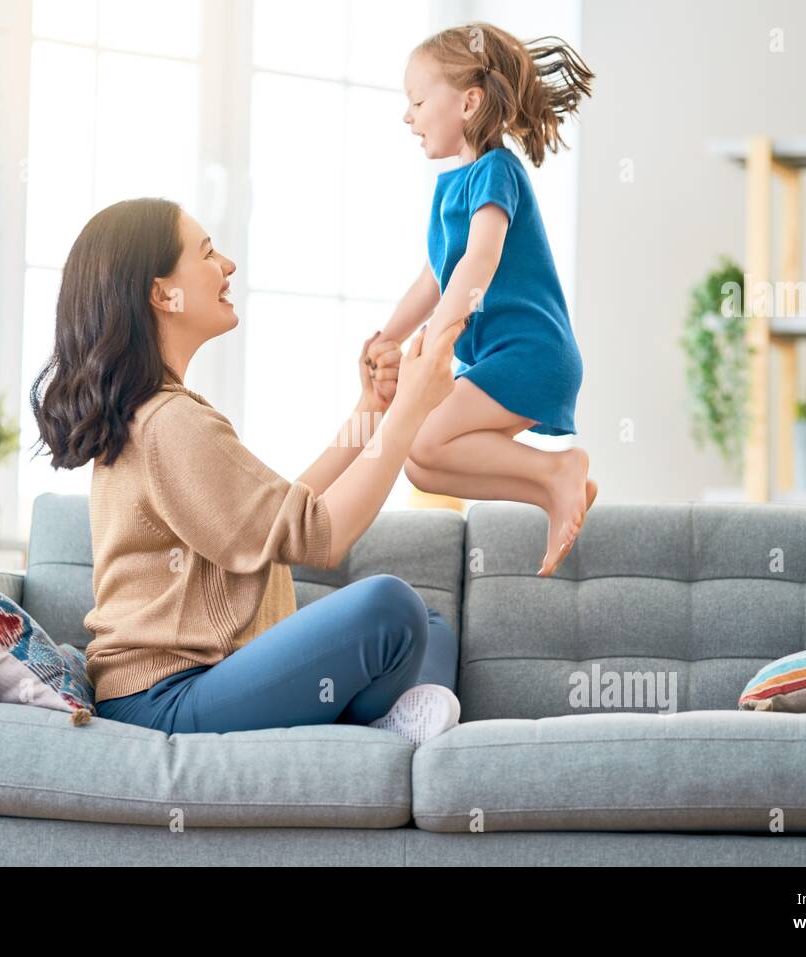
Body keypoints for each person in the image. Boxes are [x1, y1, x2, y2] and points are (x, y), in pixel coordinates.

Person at [29, 197, 465, 746]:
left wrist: (372, 412)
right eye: (208, 253)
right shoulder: (169, 422)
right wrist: (410, 412)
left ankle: (375, 721)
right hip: (166, 699)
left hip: (200, 687)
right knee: (392, 608)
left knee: (431, 624)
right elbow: (319, 534)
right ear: (163, 293)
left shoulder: (163, 412)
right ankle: (369, 726)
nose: (228, 265)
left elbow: (280, 512)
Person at [367, 22, 598, 577]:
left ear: (468, 103)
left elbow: (480, 262)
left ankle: (560, 468)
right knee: (420, 462)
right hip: (507, 357)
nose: (408, 116)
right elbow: (435, 279)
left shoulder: (497, 171)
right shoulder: (453, 186)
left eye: (418, 101)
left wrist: (438, 341)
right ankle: (551, 483)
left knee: (422, 436)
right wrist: (388, 336)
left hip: (533, 354)